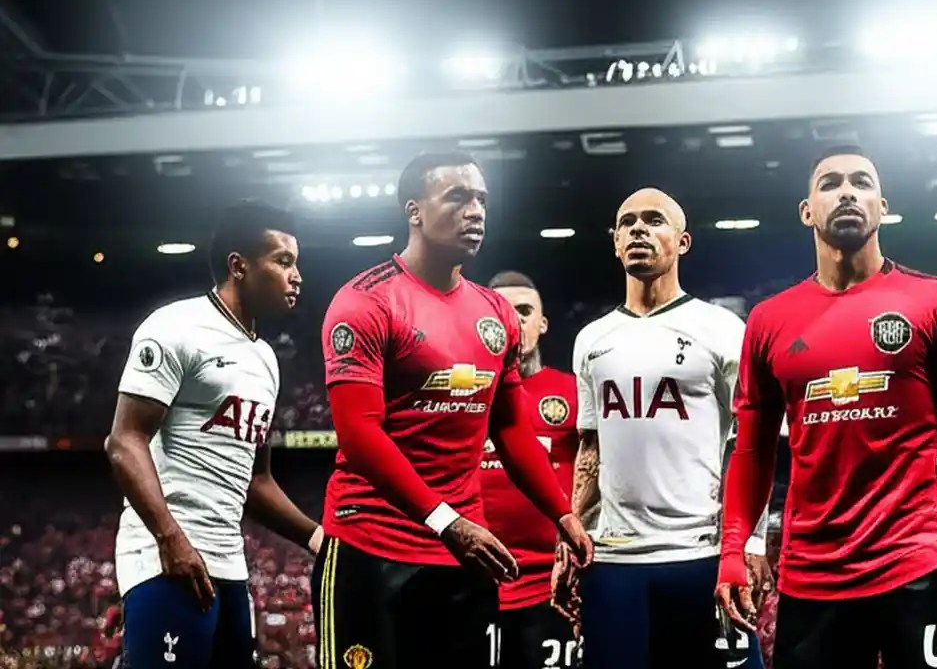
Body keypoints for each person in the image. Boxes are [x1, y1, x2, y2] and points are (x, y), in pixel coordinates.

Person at [716, 145, 937, 669]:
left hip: (914, 561)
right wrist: (733, 551)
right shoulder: (769, 322)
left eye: (862, 181)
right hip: (811, 573)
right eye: (830, 183)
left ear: (883, 206)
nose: (848, 191)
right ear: (807, 211)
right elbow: (751, 452)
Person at [313, 152, 592, 669]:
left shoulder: (495, 313)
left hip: (460, 556)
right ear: (414, 211)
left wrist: (563, 513)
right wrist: (447, 521)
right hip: (370, 549)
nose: (476, 211)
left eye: (482, 199)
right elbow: (360, 434)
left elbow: (509, 427)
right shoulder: (366, 303)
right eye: (458, 197)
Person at [105, 200, 321, 669]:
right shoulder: (175, 327)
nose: (297, 276)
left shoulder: (265, 359)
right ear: (239, 266)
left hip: (228, 566)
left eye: (297, 263)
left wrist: (318, 538)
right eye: (283, 261)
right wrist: (171, 539)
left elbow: (256, 482)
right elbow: (124, 441)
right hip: (165, 559)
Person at [561, 187, 770, 669]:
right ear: (614, 243)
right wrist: (570, 539)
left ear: (682, 242)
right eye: (627, 222)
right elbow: (589, 447)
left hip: (704, 554)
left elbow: (750, 445)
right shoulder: (591, 340)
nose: (638, 229)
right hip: (614, 560)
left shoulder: (722, 329)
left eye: (654, 220)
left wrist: (750, 543)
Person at [480, 270, 582, 668]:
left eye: (524, 311)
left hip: (551, 587)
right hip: (474, 585)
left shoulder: (572, 391)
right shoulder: (457, 393)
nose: (513, 320)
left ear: (542, 323)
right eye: (501, 310)